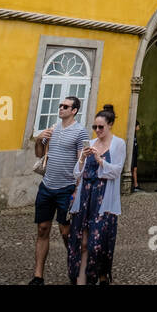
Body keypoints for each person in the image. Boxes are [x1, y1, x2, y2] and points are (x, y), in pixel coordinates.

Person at [30, 95, 89, 285]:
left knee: (66, 232)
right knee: (42, 229)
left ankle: (75, 270)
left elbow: (82, 162)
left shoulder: (81, 132)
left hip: (67, 188)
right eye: (60, 105)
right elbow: (39, 154)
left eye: (65, 106)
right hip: (47, 186)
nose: (61, 108)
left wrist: (78, 189)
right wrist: (39, 139)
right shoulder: (52, 129)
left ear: (74, 111)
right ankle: (38, 276)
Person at [67, 105, 126, 285]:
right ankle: (82, 280)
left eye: (101, 127)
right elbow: (77, 173)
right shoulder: (90, 143)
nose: (97, 130)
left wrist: (100, 160)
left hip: (103, 197)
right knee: (82, 242)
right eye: (95, 127)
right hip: (85, 196)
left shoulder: (118, 144)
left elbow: (116, 171)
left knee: (97, 243)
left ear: (110, 125)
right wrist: (83, 158)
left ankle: (101, 274)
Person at [129, 121, 142, 193]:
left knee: (134, 169)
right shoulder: (132, 135)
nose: (139, 128)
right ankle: (135, 186)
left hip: (134, 155)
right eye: (138, 126)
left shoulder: (134, 135)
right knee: (134, 169)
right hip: (132, 155)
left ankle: (135, 185)